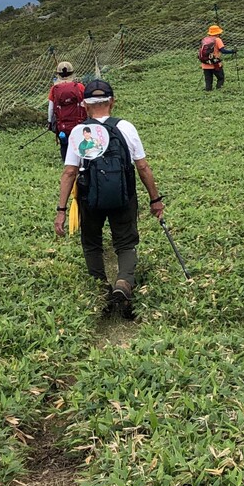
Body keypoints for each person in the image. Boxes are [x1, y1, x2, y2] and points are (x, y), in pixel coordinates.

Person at [53, 78, 164, 319]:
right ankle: (123, 282)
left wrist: (61, 210)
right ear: (112, 102)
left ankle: (102, 291)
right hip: (123, 195)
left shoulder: (78, 132)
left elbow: (69, 172)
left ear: (84, 105)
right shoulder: (126, 128)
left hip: (89, 198)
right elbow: (143, 167)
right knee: (125, 243)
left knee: (92, 243)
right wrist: (155, 200)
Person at [46, 61, 88, 160]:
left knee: (64, 145)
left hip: (62, 125)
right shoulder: (80, 87)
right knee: (81, 144)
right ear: (72, 73)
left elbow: (51, 108)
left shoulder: (54, 89)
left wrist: (50, 122)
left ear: (58, 74)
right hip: (79, 123)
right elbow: (86, 103)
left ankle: (67, 162)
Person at [199, 24, 236, 91]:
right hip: (215, 63)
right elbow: (223, 51)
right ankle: (219, 90)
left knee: (208, 80)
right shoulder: (217, 40)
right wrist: (232, 51)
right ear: (217, 33)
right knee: (221, 78)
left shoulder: (204, 39)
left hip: (205, 64)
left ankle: (208, 91)